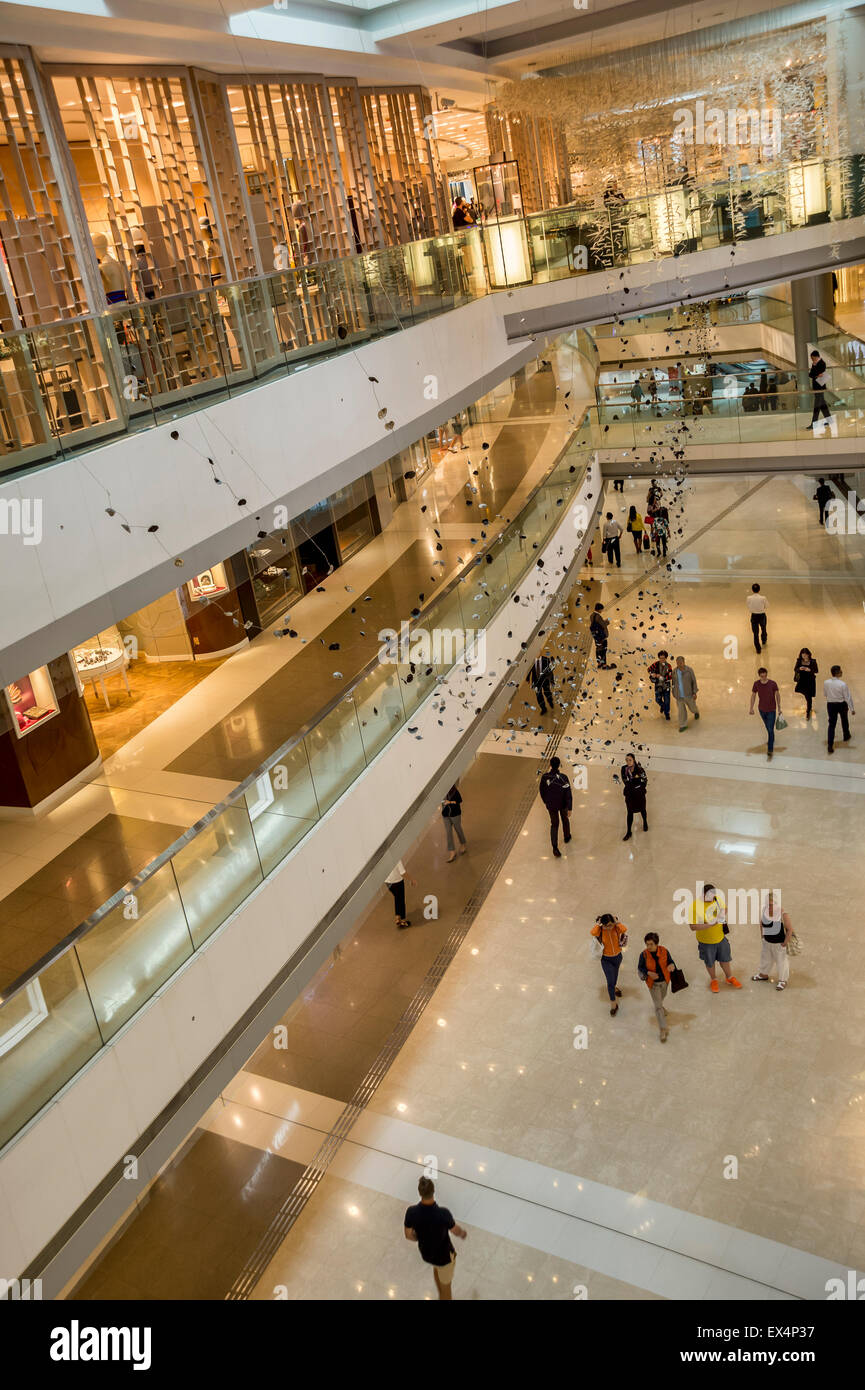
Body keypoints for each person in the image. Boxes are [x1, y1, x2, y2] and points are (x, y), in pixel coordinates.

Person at [404, 1176, 467, 1301]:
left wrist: (421, 1237)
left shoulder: (411, 1212)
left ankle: (440, 1295)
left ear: (419, 1193)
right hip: (444, 1257)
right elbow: (455, 1231)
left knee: (437, 1271)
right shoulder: (443, 1214)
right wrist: (462, 1233)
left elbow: (408, 1235)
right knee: (447, 1291)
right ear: (433, 1192)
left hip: (427, 1254)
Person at [688, 884, 742, 993]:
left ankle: (729, 977)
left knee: (725, 959)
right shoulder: (694, 907)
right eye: (709, 897)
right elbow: (692, 926)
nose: (711, 899)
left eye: (713, 896)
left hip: (720, 937)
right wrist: (709, 924)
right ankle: (714, 979)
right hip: (705, 941)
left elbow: (725, 908)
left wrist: (720, 915)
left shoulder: (716, 899)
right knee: (710, 962)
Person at [637, 931, 677, 1041]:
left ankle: (660, 1004)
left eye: (651, 944)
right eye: (647, 944)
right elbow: (640, 968)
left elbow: (671, 961)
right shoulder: (644, 955)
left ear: (656, 944)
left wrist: (671, 965)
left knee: (662, 997)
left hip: (665, 981)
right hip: (653, 984)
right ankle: (663, 1028)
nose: (648, 947)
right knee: (658, 1006)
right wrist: (649, 973)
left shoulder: (664, 951)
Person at [751, 892, 792, 992]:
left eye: (771, 904)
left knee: (781, 962)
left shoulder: (783, 913)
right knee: (765, 959)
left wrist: (785, 943)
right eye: (767, 904)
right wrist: (762, 937)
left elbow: (789, 929)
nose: (769, 907)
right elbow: (761, 923)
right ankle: (763, 974)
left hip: (779, 944)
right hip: (767, 942)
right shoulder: (765, 910)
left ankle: (783, 980)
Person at [591, 913, 628, 1016]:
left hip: (617, 957)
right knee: (610, 981)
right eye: (606, 925)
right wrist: (599, 924)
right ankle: (613, 1004)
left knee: (615, 977)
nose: (609, 928)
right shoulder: (600, 930)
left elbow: (624, 929)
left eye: (611, 925)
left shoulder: (616, 928)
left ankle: (615, 988)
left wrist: (617, 922)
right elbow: (592, 932)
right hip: (606, 959)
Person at [539, 755, 572, 857]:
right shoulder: (563, 777)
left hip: (551, 805)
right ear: (559, 766)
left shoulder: (545, 777)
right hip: (562, 804)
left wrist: (546, 801)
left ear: (550, 765)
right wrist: (569, 807)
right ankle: (567, 836)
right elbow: (568, 793)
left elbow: (542, 791)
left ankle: (554, 847)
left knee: (554, 824)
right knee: (565, 820)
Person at [749, 666, 781, 760]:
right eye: (761, 676)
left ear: (766, 674)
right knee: (768, 727)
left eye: (765, 675)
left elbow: (777, 695)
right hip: (762, 709)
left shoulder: (773, 683)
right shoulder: (756, 684)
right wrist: (751, 708)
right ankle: (772, 738)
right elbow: (753, 696)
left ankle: (770, 749)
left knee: (770, 729)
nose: (763, 677)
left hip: (771, 710)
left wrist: (779, 707)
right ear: (759, 676)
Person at [824, 664, 855, 754]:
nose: (842, 672)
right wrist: (852, 708)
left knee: (832, 724)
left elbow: (825, 694)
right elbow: (847, 697)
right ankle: (846, 735)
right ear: (837, 673)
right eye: (841, 671)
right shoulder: (843, 684)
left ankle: (830, 744)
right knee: (844, 720)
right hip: (841, 705)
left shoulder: (826, 682)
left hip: (830, 705)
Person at [620, 752, 648, 840]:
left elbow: (645, 780)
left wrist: (639, 788)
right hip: (630, 795)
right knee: (630, 812)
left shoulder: (639, 769)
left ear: (634, 760)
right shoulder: (624, 769)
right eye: (626, 760)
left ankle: (645, 822)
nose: (628, 762)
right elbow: (625, 781)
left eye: (630, 760)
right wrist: (633, 785)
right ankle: (629, 831)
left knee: (642, 809)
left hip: (639, 794)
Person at [385, 859, 416, 929]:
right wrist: (412, 880)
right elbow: (403, 872)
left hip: (388, 883)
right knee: (401, 900)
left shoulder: (384, 859)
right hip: (397, 882)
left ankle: (397, 917)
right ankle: (403, 921)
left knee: (397, 898)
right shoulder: (397, 859)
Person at [673, 655, 700, 731]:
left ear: (684, 662)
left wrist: (694, 692)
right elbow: (673, 683)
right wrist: (674, 692)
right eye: (677, 663)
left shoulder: (689, 670)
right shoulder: (674, 671)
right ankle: (683, 725)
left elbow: (694, 681)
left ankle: (696, 712)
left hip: (689, 694)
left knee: (692, 707)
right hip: (679, 696)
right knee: (681, 711)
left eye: (681, 663)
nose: (679, 664)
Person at [441, 784, 466, 862]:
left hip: (455, 814)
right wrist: (443, 801)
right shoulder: (441, 792)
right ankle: (452, 851)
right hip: (445, 815)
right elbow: (440, 801)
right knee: (448, 833)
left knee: (458, 829)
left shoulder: (454, 791)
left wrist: (450, 802)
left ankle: (463, 844)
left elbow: (459, 800)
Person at [807, 350, 831, 428]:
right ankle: (830, 421)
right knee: (823, 405)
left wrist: (815, 372)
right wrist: (816, 373)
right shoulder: (814, 364)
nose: (811, 359)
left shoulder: (822, 363)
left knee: (816, 406)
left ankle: (814, 424)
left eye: (812, 357)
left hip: (820, 387)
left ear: (816, 356)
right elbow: (810, 375)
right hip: (816, 387)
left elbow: (817, 373)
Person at [793, 648, 818, 720]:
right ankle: (809, 706)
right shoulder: (799, 661)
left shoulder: (813, 661)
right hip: (802, 681)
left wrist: (810, 670)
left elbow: (816, 670)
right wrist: (800, 668)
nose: (804, 656)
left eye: (805, 655)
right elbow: (795, 669)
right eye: (803, 655)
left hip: (810, 681)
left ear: (808, 655)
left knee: (808, 696)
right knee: (806, 695)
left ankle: (808, 710)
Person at [648, 649, 673, 720]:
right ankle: (662, 706)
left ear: (666, 658)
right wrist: (653, 674)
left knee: (667, 700)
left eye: (663, 658)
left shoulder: (669, 666)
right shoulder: (655, 664)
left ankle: (667, 713)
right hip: (658, 685)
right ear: (659, 658)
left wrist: (662, 677)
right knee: (657, 699)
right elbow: (649, 670)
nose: (662, 659)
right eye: (661, 658)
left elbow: (670, 676)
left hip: (666, 685)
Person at [590, 602, 614, 669]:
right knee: (603, 650)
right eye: (601, 609)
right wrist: (607, 621)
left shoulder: (592, 615)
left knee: (598, 649)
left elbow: (596, 625)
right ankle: (604, 665)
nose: (602, 611)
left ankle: (599, 663)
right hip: (602, 636)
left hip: (596, 636)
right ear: (599, 609)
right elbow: (603, 625)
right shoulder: (598, 617)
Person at [746, 582, 768, 653]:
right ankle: (764, 640)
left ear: (752, 590)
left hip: (754, 616)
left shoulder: (749, 598)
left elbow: (748, 606)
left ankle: (758, 648)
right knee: (763, 628)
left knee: (755, 633)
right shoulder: (763, 598)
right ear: (759, 590)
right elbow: (767, 606)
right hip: (762, 615)